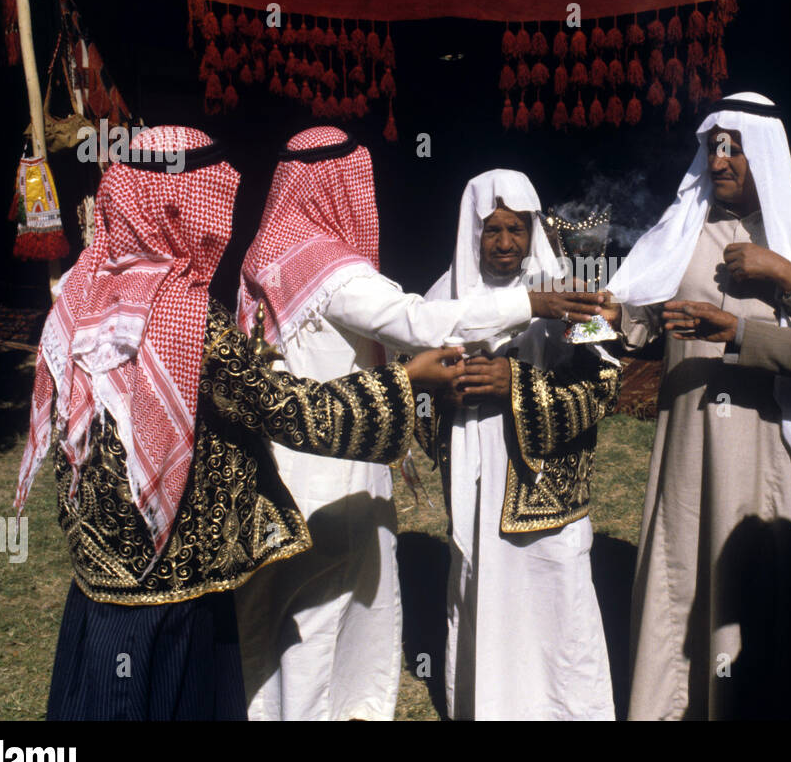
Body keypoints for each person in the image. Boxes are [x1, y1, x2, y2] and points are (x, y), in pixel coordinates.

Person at [16, 126, 462, 721]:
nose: (217, 224)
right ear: (177, 208)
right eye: (208, 201)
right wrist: (408, 382)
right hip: (179, 590)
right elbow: (290, 410)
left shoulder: (77, 288)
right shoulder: (187, 317)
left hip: (100, 582)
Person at [233, 127, 602, 721]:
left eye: (517, 228)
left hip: (311, 467)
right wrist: (530, 307)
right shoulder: (327, 272)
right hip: (331, 474)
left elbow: (596, 380)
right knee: (316, 623)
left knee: (318, 617)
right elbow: (422, 323)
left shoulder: (271, 257)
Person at [604, 92, 791, 719]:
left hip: (765, 443)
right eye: (712, 147)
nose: (720, 160)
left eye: (735, 148)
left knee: (756, 568)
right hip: (688, 436)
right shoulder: (681, 227)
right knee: (680, 560)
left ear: (768, 154)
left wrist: (786, 276)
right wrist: (604, 314)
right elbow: (637, 320)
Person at [414, 169, 621, 720]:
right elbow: (414, 399)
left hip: (546, 481)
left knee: (558, 588)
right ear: (471, 233)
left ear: (534, 231)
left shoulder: (568, 292)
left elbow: (603, 386)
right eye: (491, 230)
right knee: (484, 588)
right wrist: (446, 396)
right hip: (476, 466)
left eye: (517, 229)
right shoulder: (442, 297)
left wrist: (518, 385)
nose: (505, 244)